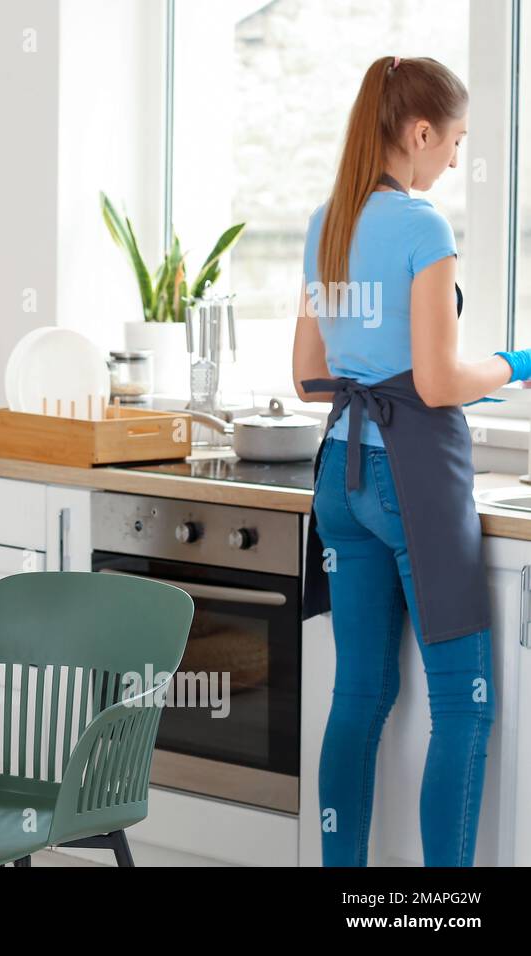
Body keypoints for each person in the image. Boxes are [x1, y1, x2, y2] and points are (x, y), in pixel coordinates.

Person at [294, 56, 531, 866]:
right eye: (457, 140)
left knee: (359, 693)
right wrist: (516, 364)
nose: (458, 160)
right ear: (421, 132)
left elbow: (306, 376)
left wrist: (374, 366)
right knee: (463, 706)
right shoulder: (424, 225)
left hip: (339, 474)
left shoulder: (327, 220)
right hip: (412, 479)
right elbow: (436, 382)